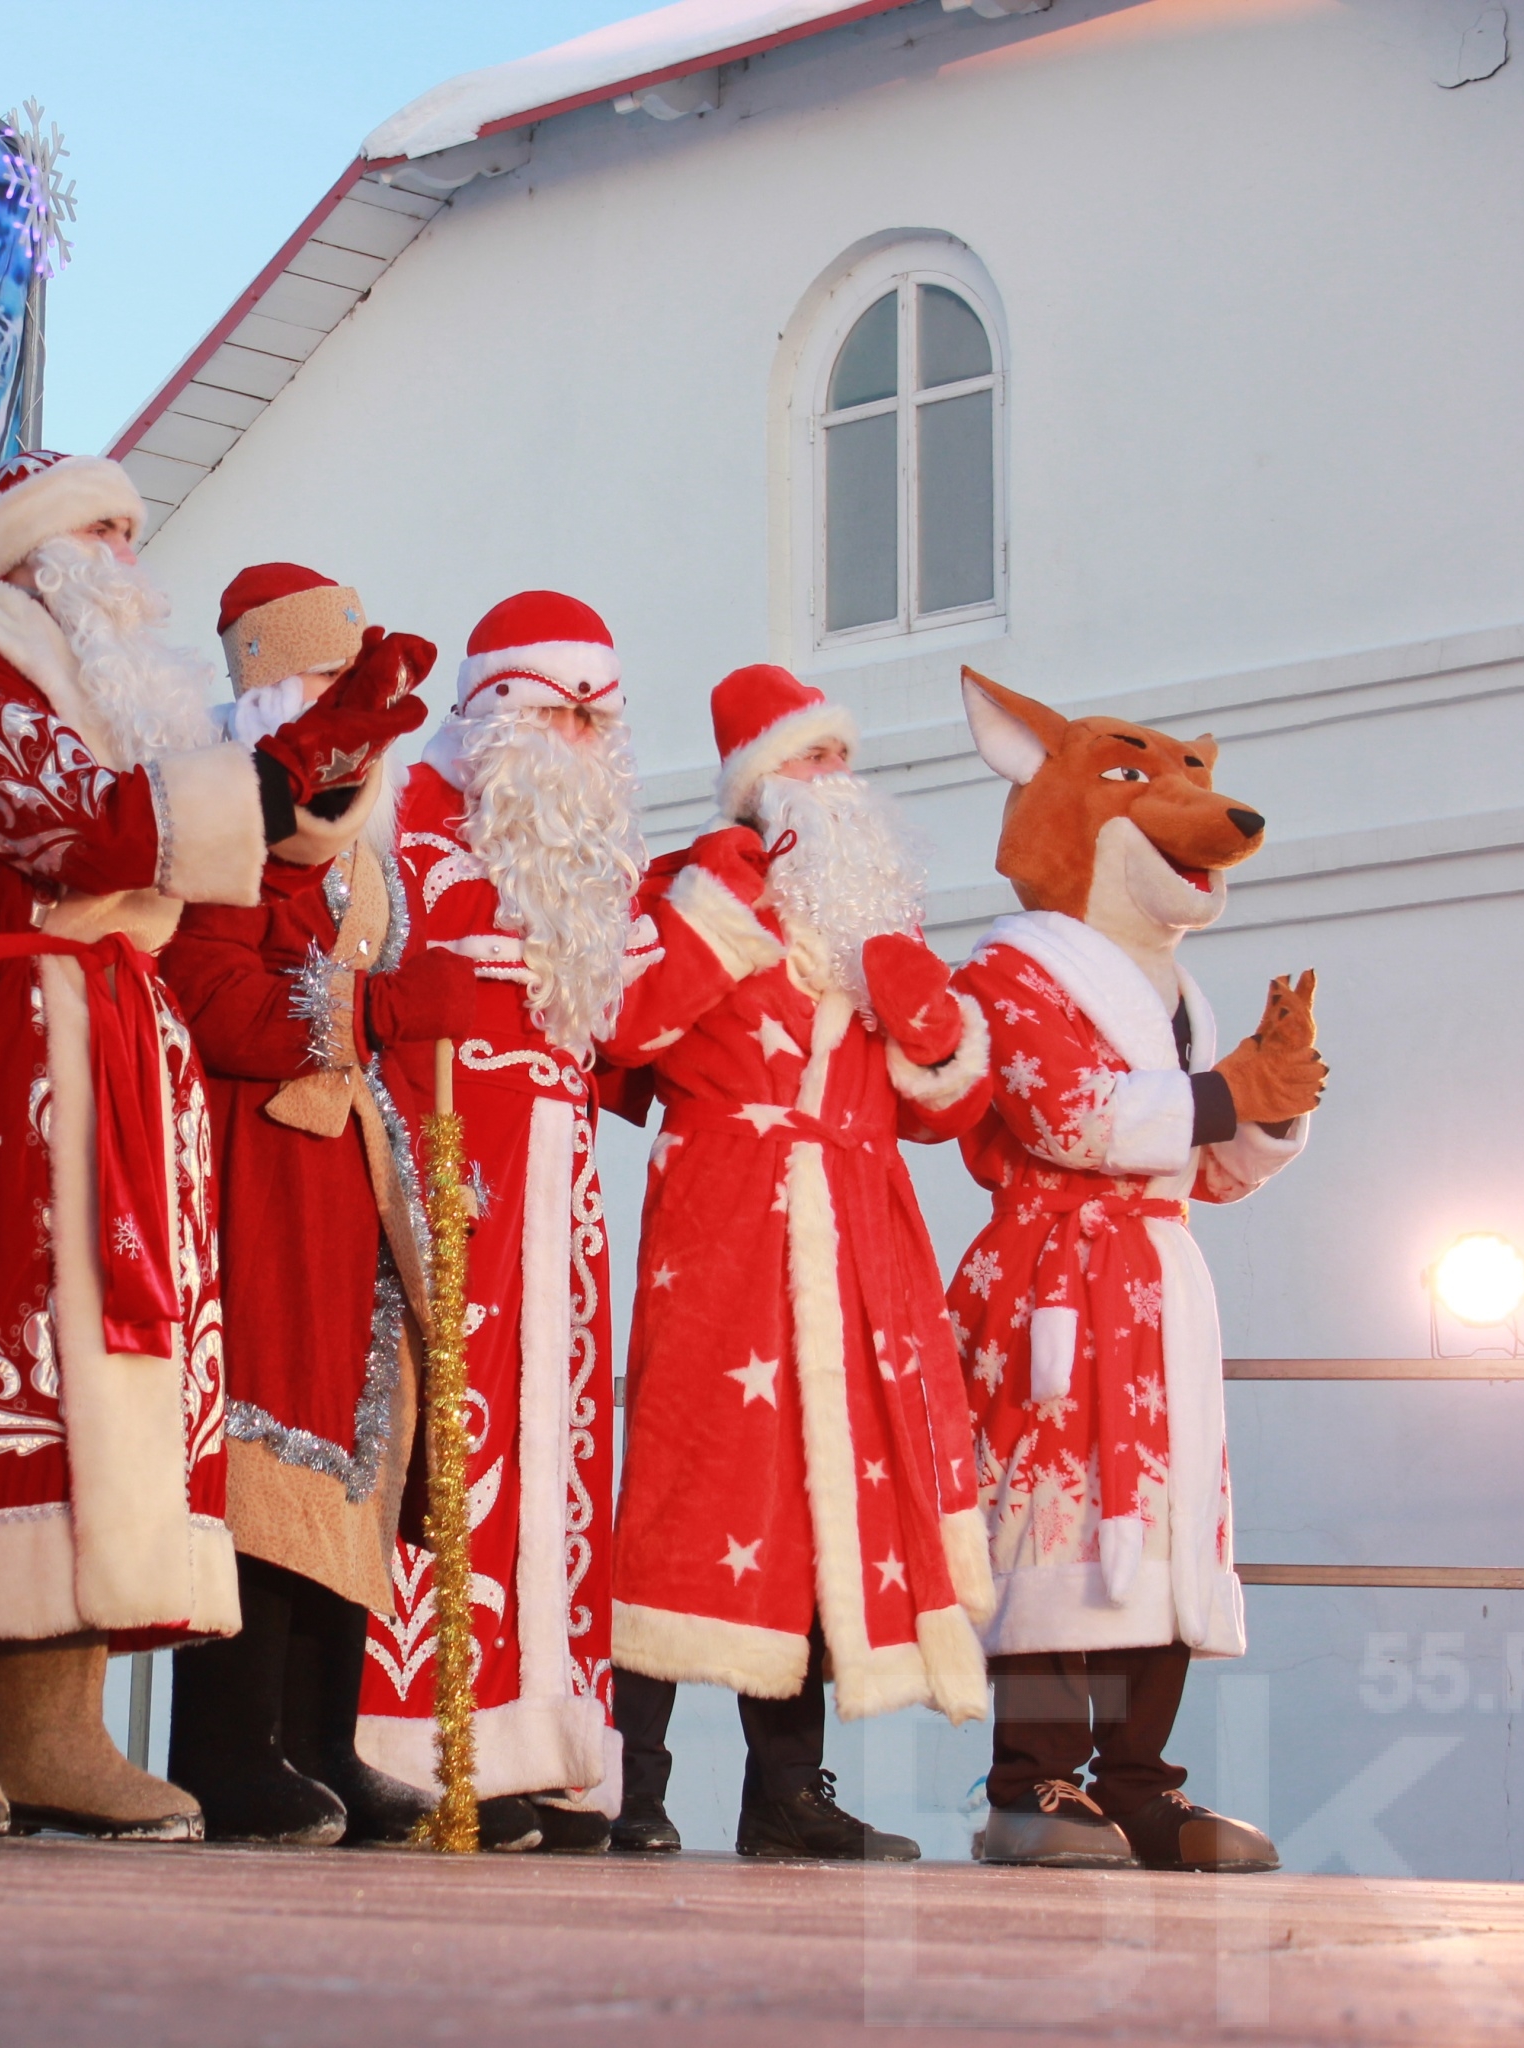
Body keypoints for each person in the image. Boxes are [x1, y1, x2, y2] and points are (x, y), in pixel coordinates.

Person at [0, 457, 423, 1838]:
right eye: (97, 528)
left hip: (112, 1024)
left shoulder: (102, 688)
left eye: (130, 528)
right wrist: (294, 758)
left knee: (107, 1378)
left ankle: (57, 1722)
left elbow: (181, 832)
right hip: (17, 1016)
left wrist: (322, 755)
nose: (126, 550)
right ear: (34, 552)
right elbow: (83, 830)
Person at [606, 663, 999, 1861]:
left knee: (829, 1502)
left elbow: (951, 1105)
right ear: (760, 783)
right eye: (810, 760)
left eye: (842, 758)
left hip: (860, 1235)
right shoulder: (695, 893)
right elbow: (620, 1031)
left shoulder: (879, 920)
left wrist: (917, 998)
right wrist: (714, 907)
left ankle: (786, 1793)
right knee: (692, 1488)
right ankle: (630, 1786)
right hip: (729, 1223)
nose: (837, 780)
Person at [947, 669, 1319, 1873]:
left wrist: (1269, 1102)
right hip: (1054, 1277)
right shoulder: (1013, 967)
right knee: (1057, 1527)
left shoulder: (1178, 992)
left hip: (1157, 1277)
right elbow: (1062, 1113)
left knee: (1160, 1533)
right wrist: (1223, 1092)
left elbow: (1199, 1169)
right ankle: (1030, 1782)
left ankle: (1140, 1781)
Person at [158, 564, 460, 1844]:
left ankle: (322, 1735)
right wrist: (372, 1012)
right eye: (332, 704)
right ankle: (232, 1747)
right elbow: (218, 1001)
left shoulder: (370, 867)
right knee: (262, 1443)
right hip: (254, 1170)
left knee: (359, 1443)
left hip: (351, 1184)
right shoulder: (224, 837)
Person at [358, 590, 657, 1854]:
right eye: (558, 715)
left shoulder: (589, 869)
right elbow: (377, 974)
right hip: (453, 1163)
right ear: (498, 715)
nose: (581, 743)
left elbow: (630, 1030)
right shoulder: (412, 815)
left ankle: (545, 1743)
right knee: (453, 1443)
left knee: (554, 1451)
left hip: (564, 1183)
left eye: (600, 720)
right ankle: (416, 1747)